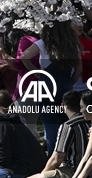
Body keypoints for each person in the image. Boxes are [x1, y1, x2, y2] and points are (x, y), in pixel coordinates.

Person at [17, 21, 83, 151]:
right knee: (66, 122)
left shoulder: (43, 43)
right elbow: (79, 69)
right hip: (65, 85)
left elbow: (24, 56)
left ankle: (53, 155)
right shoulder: (72, 45)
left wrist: (36, 73)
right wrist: (70, 82)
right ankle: (69, 152)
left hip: (46, 85)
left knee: (50, 124)